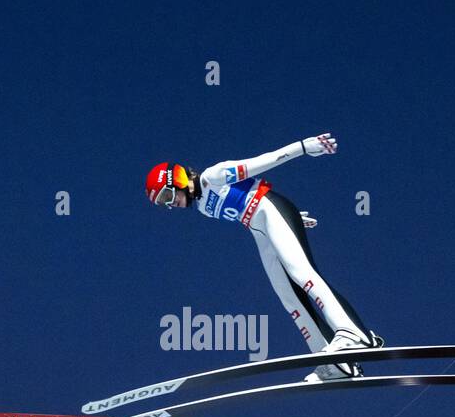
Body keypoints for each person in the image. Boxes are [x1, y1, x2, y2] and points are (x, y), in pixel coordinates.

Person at [145, 133, 382, 382]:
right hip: (258, 228)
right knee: (287, 295)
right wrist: (293, 220)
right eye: (163, 204)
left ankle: (355, 335)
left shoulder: (213, 176)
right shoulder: (204, 207)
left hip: (269, 210)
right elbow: (242, 206)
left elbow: (265, 161)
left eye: (167, 196)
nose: (170, 204)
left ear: (177, 180)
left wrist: (303, 147)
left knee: (303, 274)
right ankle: (336, 364)